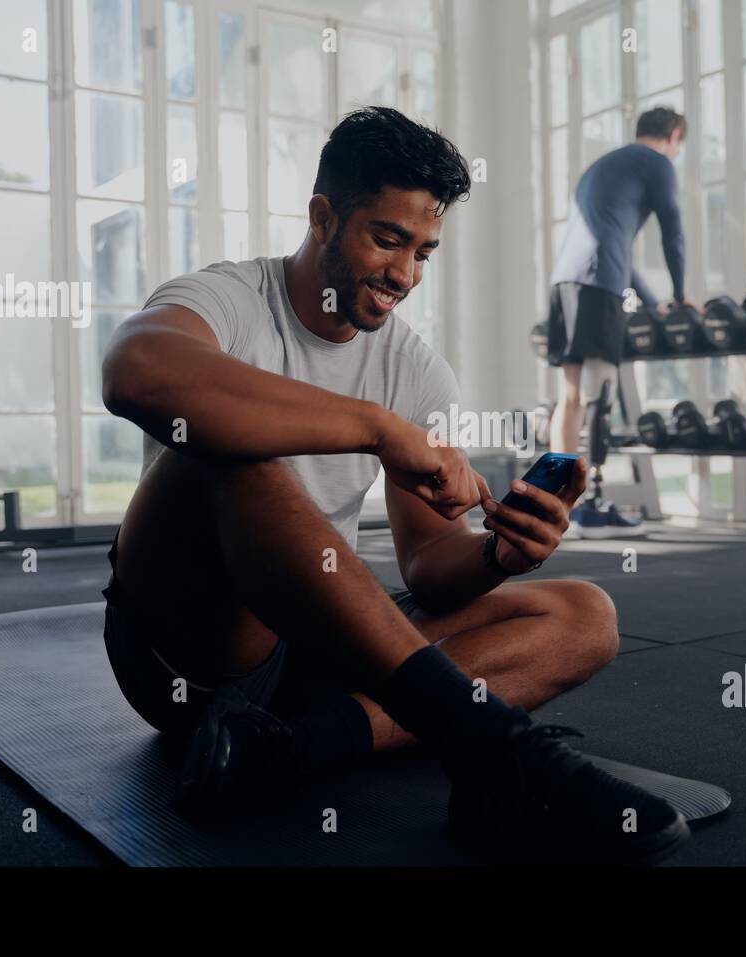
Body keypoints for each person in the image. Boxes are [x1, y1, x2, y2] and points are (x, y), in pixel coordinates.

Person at [100, 107, 689, 865]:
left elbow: (431, 562)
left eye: (424, 252)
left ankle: (293, 749)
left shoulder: (416, 367)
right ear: (322, 217)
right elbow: (135, 373)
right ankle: (490, 750)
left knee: (584, 614)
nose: (405, 276)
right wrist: (377, 427)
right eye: (387, 239)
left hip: (313, 647)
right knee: (222, 448)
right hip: (186, 650)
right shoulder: (229, 299)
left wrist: (499, 557)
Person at [545, 106, 698, 537]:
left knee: (571, 397)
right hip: (598, 286)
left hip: (565, 283)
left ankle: (564, 508)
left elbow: (618, 248)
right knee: (601, 393)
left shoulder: (603, 167)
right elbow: (674, 231)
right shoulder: (658, 164)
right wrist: (681, 295)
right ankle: (591, 504)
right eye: (679, 146)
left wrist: (652, 304)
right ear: (673, 137)